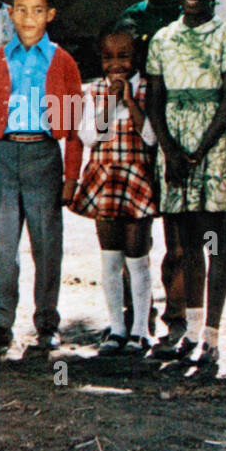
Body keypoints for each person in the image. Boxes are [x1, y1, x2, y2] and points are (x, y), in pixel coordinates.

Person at [146, 0, 226, 378]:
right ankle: (190, 329)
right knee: (184, 243)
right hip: (176, 148)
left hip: (212, 146)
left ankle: (214, 336)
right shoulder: (164, 38)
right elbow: (155, 98)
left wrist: (200, 151)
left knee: (213, 239)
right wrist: (170, 151)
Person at [0, 0, 82, 353]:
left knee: (46, 244)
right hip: (4, 155)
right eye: (21, 9)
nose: (29, 18)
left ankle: (47, 321)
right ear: (11, 13)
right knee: (3, 244)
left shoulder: (63, 61)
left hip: (43, 155)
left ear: (50, 15)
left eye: (37, 10)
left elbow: (75, 124)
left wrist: (71, 175)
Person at [70, 23, 158, 355]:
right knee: (110, 258)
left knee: (137, 256)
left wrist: (130, 101)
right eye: (108, 58)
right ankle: (116, 328)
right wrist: (110, 102)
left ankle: (141, 329)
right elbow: (91, 137)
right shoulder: (91, 92)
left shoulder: (148, 90)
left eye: (124, 56)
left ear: (136, 56)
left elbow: (150, 138)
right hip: (105, 178)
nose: (116, 64)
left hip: (136, 178)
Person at [118, 0, 188, 342]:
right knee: (134, 230)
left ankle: (176, 317)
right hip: (134, 128)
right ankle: (134, 315)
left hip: (175, 128)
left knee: (177, 232)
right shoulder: (131, 16)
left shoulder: (187, 16)